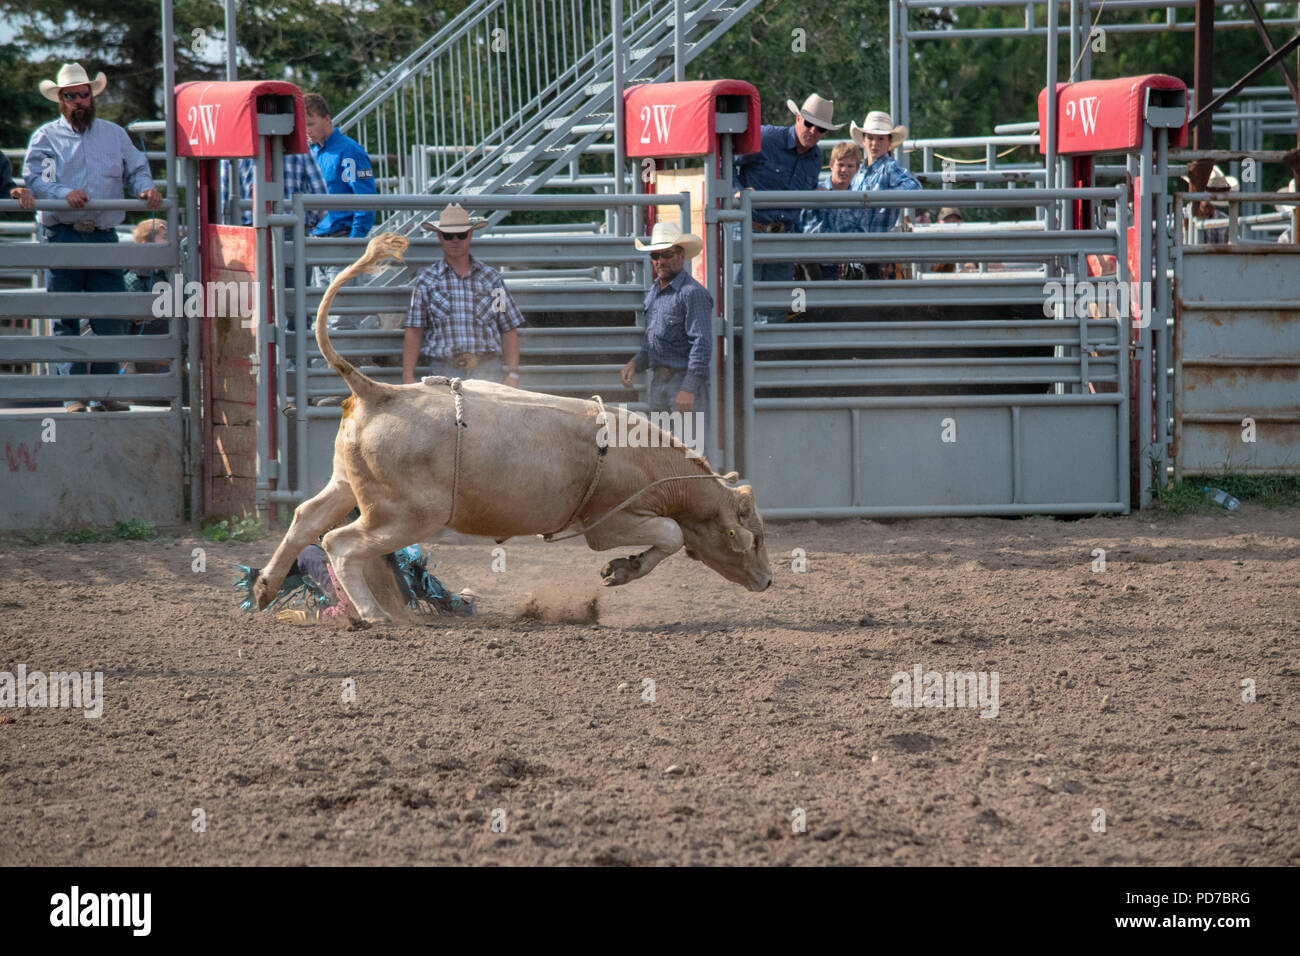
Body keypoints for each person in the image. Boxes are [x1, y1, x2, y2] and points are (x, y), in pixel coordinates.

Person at [23, 63, 162, 413]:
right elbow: (34, 179)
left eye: (85, 94)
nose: (80, 101)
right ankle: (75, 395)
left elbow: (138, 167)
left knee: (110, 316)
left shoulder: (114, 135)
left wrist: (145, 188)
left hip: (102, 235)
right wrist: (62, 192)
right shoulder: (45, 137)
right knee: (67, 316)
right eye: (72, 95)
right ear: (61, 99)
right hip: (62, 233)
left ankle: (103, 391)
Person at [734, 93, 844, 322]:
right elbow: (725, 163)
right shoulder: (766, 137)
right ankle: (734, 357)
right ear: (797, 119)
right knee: (739, 300)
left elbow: (802, 193)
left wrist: (813, 195)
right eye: (809, 124)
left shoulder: (815, 157)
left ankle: (764, 356)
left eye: (821, 129)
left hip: (783, 235)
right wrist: (736, 192)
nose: (813, 132)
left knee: (774, 306)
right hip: (749, 228)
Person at [402, 203, 525, 386]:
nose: (455, 240)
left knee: (487, 416)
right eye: (448, 235)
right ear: (439, 237)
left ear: (470, 235)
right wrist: (407, 375)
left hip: (487, 368)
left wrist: (513, 373)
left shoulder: (492, 279)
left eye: (461, 234)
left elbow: (508, 327)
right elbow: (414, 330)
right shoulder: (426, 281)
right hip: (444, 368)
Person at [619, 222, 713, 440]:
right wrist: (636, 362)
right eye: (655, 255)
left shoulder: (691, 293)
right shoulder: (655, 291)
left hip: (682, 382)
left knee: (689, 453)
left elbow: (702, 343)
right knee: (661, 450)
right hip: (660, 382)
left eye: (666, 254)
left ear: (681, 256)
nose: (659, 261)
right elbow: (653, 339)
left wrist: (688, 389)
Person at [303, 92, 378, 331]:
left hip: (342, 240)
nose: (307, 130)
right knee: (322, 320)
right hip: (318, 243)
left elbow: (366, 201)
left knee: (340, 320)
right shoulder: (310, 152)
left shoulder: (350, 151)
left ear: (328, 119)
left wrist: (355, 242)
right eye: (303, 125)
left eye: (311, 123)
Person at [798, 141, 866, 282]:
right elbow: (798, 222)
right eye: (840, 164)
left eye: (850, 166)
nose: (844, 170)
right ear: (831, 165)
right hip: (808, 261)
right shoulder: (814, 191)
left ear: (857, 169)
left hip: (838, 265)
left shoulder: (858, 201)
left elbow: (861, 233)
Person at [849, 110, 921, 234]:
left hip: (877, 240)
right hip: (856, 239)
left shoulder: (890, 167)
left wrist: (884, 196)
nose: (874, 144)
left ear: (889, 142)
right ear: (864, 140)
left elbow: (915, 187)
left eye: (880, 139)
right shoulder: (859, 171)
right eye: (870, 138)